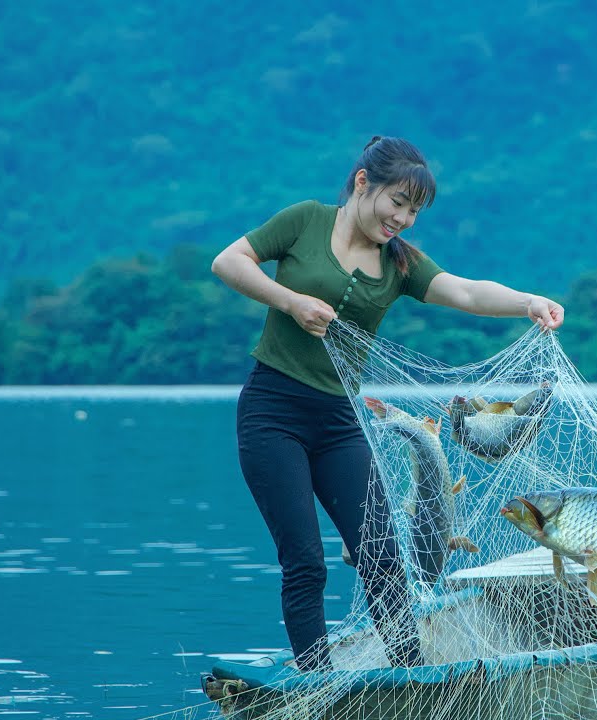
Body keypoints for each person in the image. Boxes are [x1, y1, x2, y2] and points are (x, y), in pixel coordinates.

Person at [210, 136, 565, 671]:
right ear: (361, 183)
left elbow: (466, 292)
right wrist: (291, 301)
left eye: (414, 211)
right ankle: (316, 681)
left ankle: (411, 676)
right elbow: (228, 261)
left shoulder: (399, 263)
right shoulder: (305, 221)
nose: (403, 219)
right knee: (305, 562)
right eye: (397, 203)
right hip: (272, 413)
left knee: (383, 557)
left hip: (338, 422)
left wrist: (528, 302)